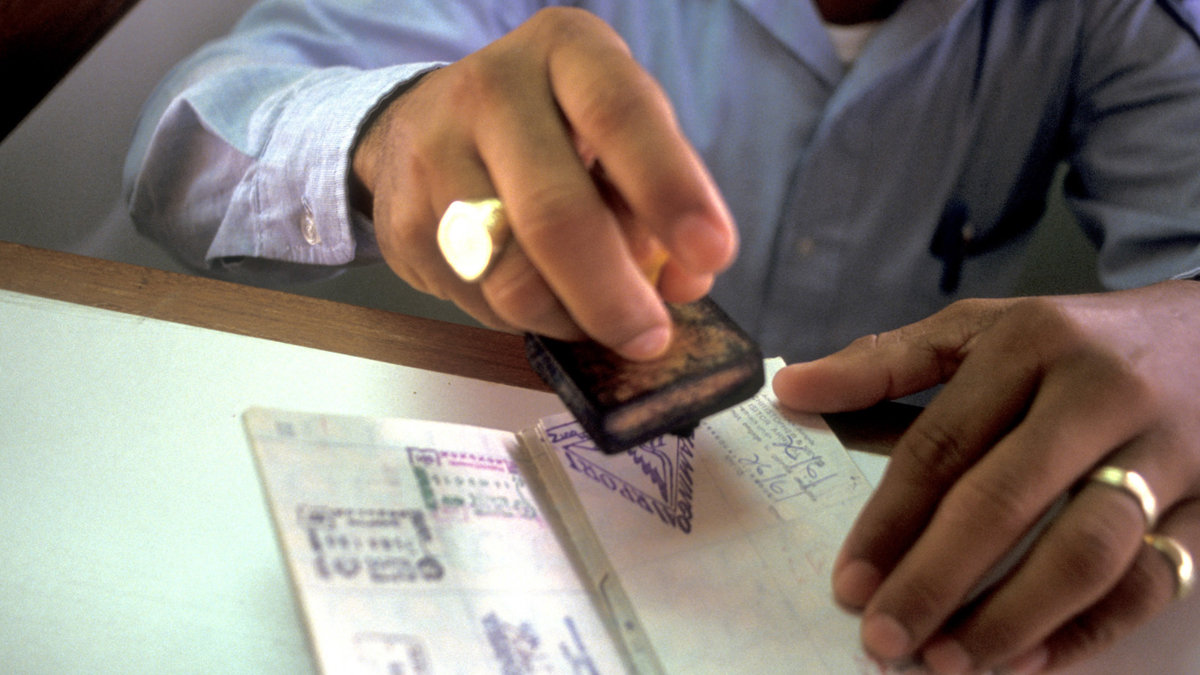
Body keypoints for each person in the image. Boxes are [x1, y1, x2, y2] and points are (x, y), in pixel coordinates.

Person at [125, 1, 1200, 671]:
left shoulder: (1119, 17)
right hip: (505, 495)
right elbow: (188, 144)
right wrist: (390, 134)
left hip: (876, 545)